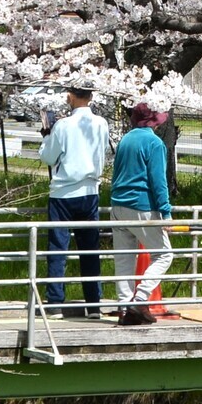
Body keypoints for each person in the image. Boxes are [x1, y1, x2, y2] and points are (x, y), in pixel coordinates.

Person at [38, 84, 111, 319]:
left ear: (70, 95)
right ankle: (93, 304)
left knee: (58, 248)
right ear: (91, 96)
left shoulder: (62, 125)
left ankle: (56, 304)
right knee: (90, 249)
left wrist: (46, 135)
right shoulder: (101, 124)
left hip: (62, 193)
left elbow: (48, 157)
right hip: (90, 191)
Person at [111, 102, 173, 326]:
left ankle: (124, 308)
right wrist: (165, 212)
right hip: (142, 206)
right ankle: (140, 299)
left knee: (123, 259)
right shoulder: (154, 143)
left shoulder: (126, 139)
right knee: (164, 254)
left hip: (118, 205)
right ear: (155, 121)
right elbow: (159, 181)